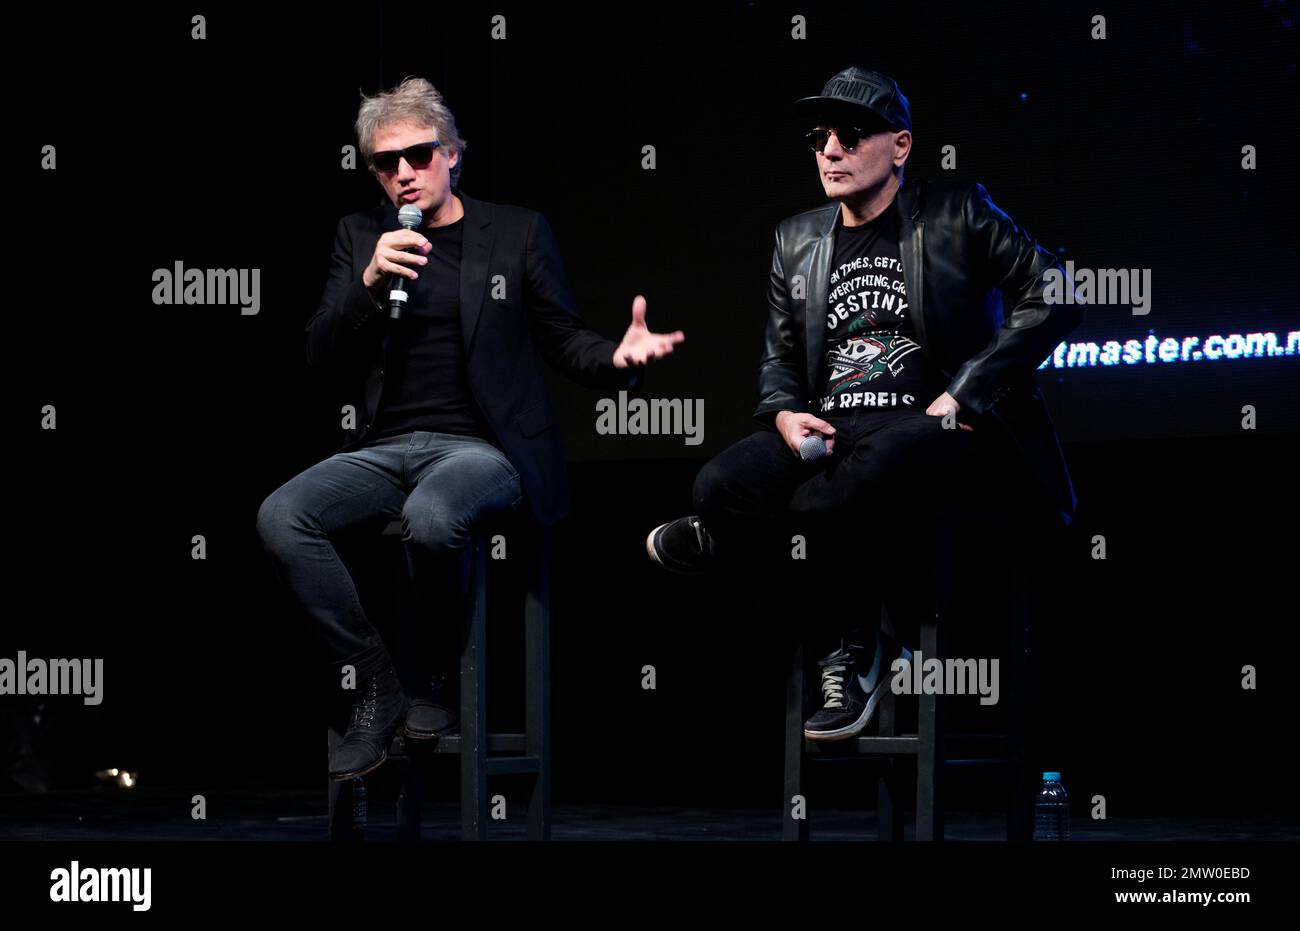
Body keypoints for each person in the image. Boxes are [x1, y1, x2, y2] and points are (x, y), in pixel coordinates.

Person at [257, 76, 684, 780]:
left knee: (432, 518)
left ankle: (436, 678)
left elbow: (562, 337)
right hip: (384, 446)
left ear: (453, 153)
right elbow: (317, 352)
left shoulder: (515, 232)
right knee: (281, 515)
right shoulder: (361, 235)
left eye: (419, 155)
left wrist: (618, 359)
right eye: (385, 163)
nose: (403, 173)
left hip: (483, 449)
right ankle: (375, 677)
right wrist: (366, 284)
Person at [645, 66, 1082, 742]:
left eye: (851, 134)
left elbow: (1059, 287)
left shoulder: (957, 211)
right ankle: (836, 620)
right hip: (835, 429)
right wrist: (786, 412)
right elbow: (779, 360)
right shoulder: (796, 240)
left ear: (901, 146)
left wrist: (966, 392)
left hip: (934, 429)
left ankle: (843, 645)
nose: (830, 151)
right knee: (719, 483)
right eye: (820, 138)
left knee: (839, 493)